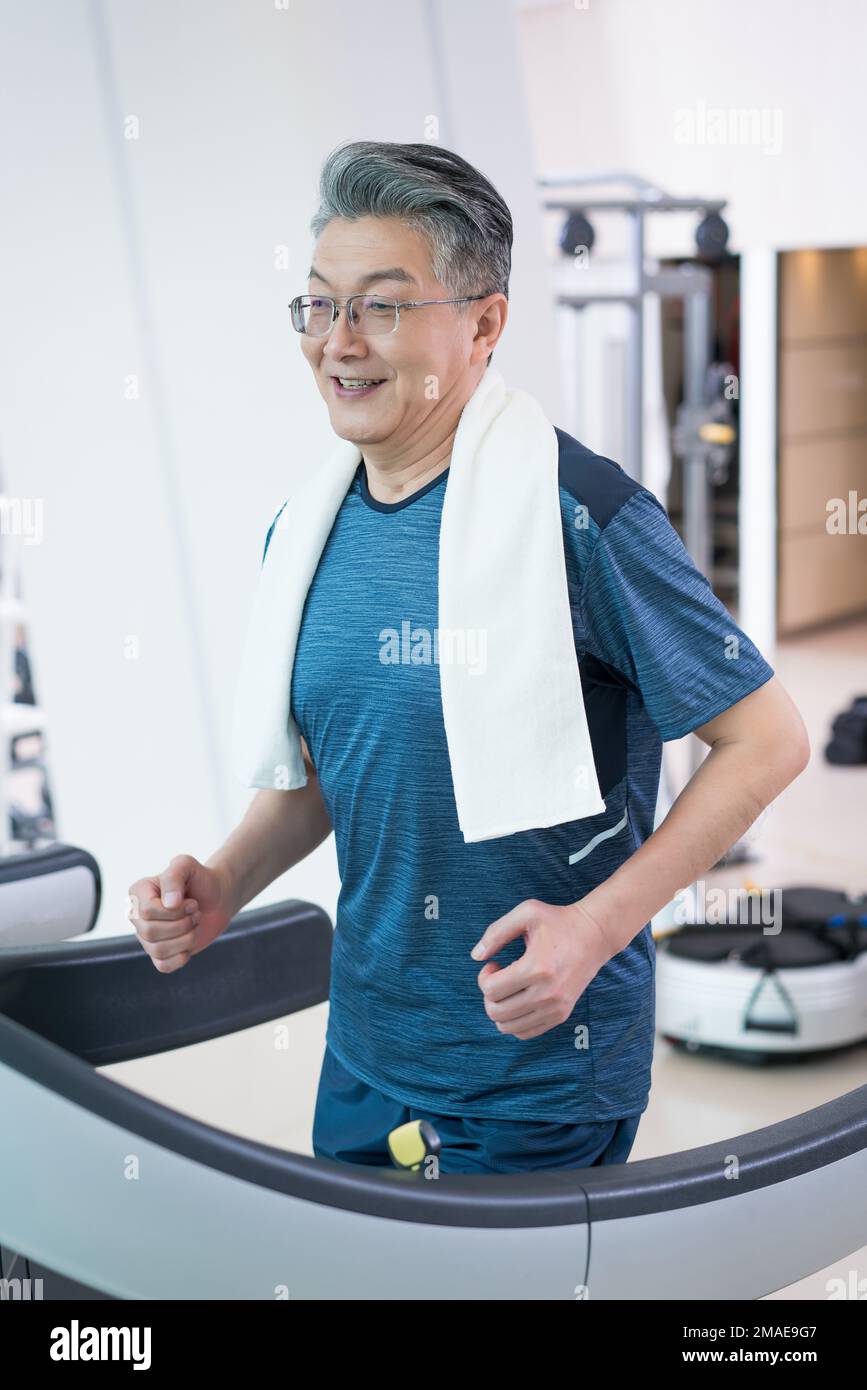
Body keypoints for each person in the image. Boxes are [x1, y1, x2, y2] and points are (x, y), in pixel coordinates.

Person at [127, 141, 809, 1175]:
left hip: (536, 1069)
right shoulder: (304, 530)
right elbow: (334, 774)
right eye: (319, 305)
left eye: (383, 306)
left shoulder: (584, 517)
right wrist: (225, 879)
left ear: (485, 322)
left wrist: (597, 926)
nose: (339, 342)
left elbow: (767, 739)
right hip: (367, 1047)